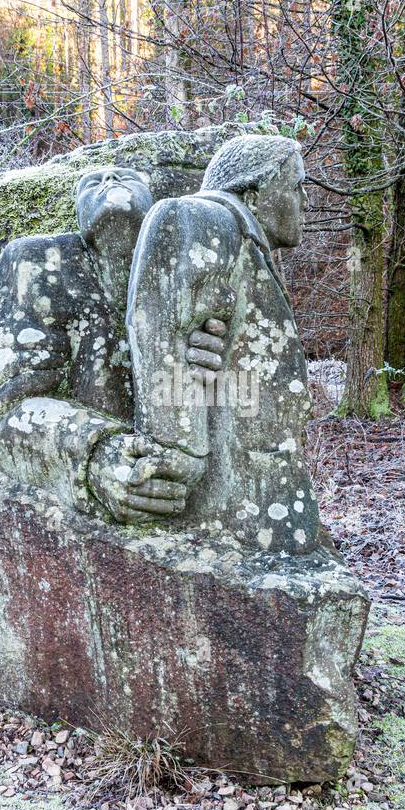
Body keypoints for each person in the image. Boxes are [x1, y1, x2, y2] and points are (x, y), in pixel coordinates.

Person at [0, 167, 223, 522]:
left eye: (126, 177)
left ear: (156, 204)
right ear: (79, 218)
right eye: (91, 184)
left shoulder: (201, 262)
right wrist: (94, 457)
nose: (110, 182)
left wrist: (225, 364)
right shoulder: (39, 266)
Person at [124, 134, 322, 553]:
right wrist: (178, 452)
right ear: (253, 194)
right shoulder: (201, 217)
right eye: (296, 185)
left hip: (260, 494)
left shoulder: (244, 241)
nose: (306, 200)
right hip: (229, 504)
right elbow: (161, 330)